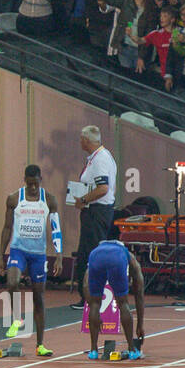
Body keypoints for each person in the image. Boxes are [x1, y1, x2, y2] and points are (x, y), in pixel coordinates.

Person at [0, 165, 62, 358]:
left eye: (36, 184)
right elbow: (7, 227)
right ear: (24, 180)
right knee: (12, 283)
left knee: (39, 298)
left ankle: (40, 344)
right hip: (18, 251)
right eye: (30, 184)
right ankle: (17, 319)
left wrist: (59, 255)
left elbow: (55, 228)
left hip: (38, 255)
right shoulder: (14, 199)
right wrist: (1, 255)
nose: (33, 188)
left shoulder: (49, 200)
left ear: (40, 180)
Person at [70, 125, 116, 309]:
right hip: (94, 211)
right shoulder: (97, 157)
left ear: (87, 140)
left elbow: (103, 188)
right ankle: (90, 296)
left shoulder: (100, 159)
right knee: (87, 254)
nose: (80, 142)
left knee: (90, 255)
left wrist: (83, 199)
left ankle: (91, 297)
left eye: (81, 139)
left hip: (97, 211)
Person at [84, 232, 142, 361]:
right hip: (117, 258)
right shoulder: (128, 255)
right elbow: (139, 295)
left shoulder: (97, 251)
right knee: (123, 303)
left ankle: (93, 350)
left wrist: (94, 311)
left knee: (95, 303)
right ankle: (132, 350)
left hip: (95, 258)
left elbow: (84, 285)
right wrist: (140, 325)